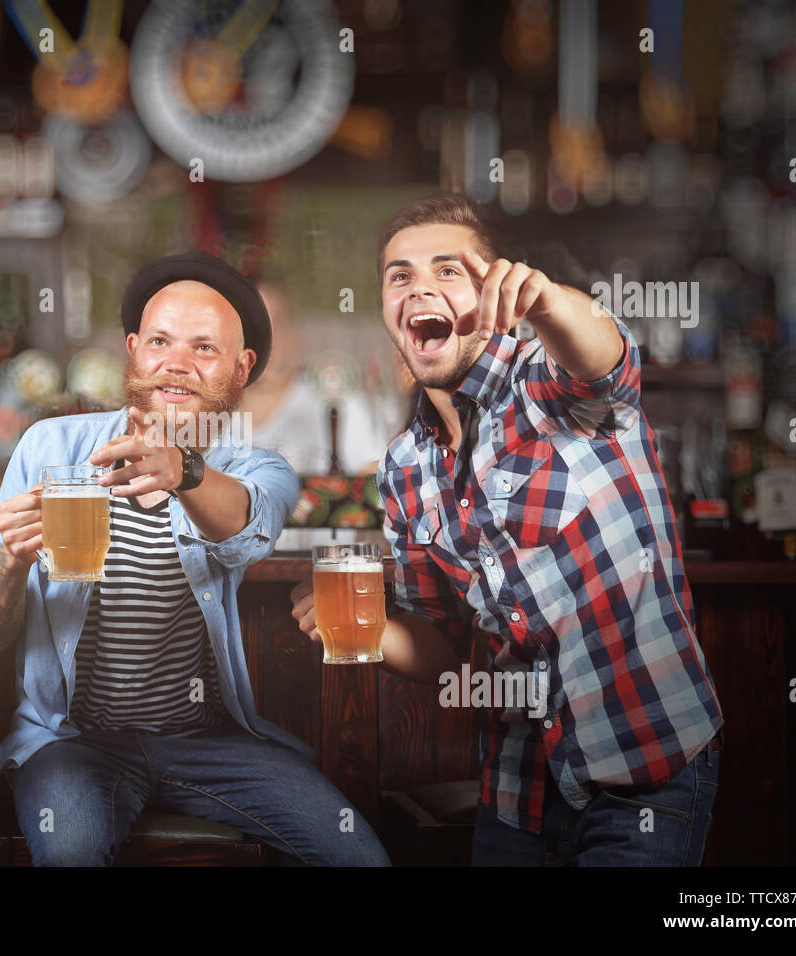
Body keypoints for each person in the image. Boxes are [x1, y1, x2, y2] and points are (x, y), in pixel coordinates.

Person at [291, 195, 722, 865]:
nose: (419, 287)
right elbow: (441, 644)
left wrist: (548, 301)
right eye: (399, 275)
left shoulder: (551, 383)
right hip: (518, 790)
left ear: (495, 289)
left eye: (447, 270)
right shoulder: (406, 467)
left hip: (647, 766)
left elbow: (606, 356)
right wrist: (363, 627)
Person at [0, 251, 390, 866]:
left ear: (242, 368)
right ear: (133, 350)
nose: (176, 364)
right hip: (73, 742)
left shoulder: (258, 467)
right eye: (160, 341)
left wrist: (183, 470)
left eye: (204, 348)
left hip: (211, 743)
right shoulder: (49, 449)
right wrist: (9, 560)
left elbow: (248, 529)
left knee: (358, 856)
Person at [241, 281, 404, 475]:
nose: (266, 335)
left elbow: (372, 475)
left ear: (295, 331)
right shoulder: (210, 411)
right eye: (252, 322)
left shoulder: (337, 400)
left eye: (277, 321)